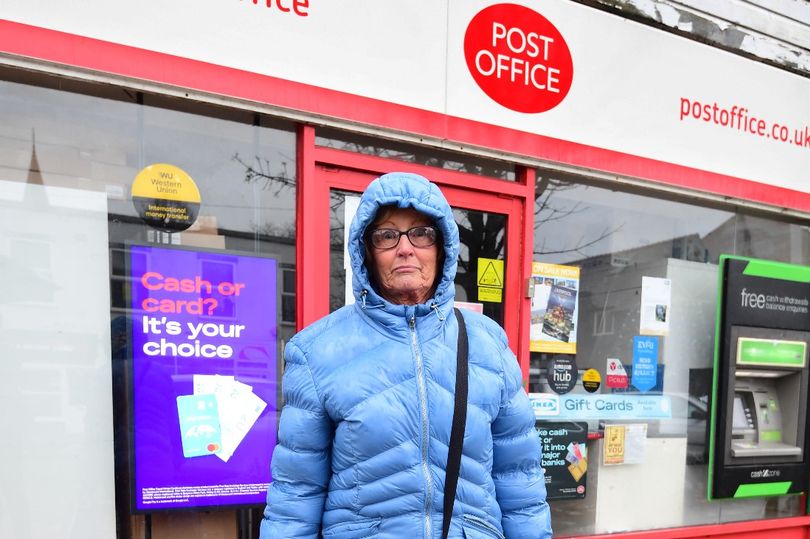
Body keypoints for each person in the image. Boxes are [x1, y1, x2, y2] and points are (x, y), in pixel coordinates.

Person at [260, 172, 552, 538]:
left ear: (442, 247)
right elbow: (295, 494)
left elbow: (519, 475)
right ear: (366, 251)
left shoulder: (488, 343)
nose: (405, 248)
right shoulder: (317, 351)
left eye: (421, 233)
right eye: (387, 235)